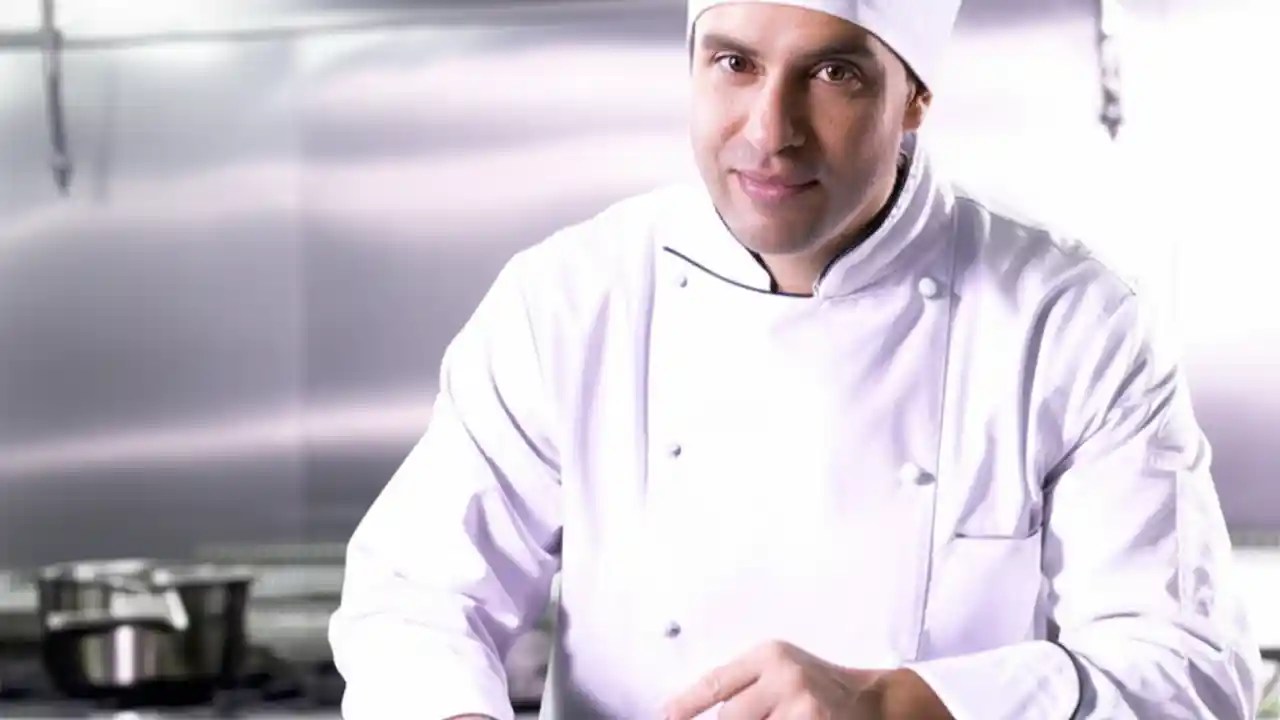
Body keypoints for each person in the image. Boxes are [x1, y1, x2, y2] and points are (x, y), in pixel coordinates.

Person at [328, 0, 1263, 717]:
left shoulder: (1068, 321)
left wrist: (892, 703)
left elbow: (1187, 669)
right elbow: (418, 594)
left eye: (834, 73)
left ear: (916, 100)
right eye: (734, 63)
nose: (770, 131)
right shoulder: (572, 298)